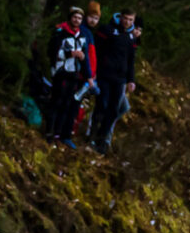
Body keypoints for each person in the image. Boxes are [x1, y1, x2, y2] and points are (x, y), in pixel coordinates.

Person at [90, 12, 141, 150]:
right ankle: (92, 134)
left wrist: (131, 80)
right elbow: (97, 50)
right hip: (105, 75)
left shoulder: (131, 37)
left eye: (130, 20)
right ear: (120, 17)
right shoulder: (108, 30)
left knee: (114, 109)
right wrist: (94, 71)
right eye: (125, 18)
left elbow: (131, 60)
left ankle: (102, 139)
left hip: (120, 79)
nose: (127, 22)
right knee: (102, 105)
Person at [43, 8, 89, 147]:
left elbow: (85, 56)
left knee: (66, 104)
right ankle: (49, 132)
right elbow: (52, 52)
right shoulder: (60, 32)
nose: (77, 20)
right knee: (56, 102)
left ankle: (58, 133)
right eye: (75, 17)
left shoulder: (82, 36)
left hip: (74, 73)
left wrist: (87, 72)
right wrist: (70, 54)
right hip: (60, 72)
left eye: (79, 18)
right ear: (70, 18)